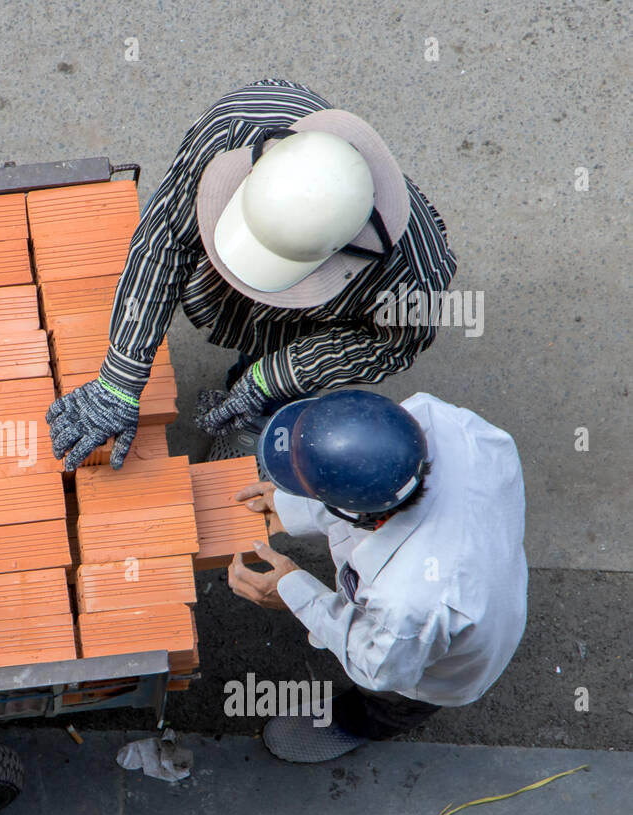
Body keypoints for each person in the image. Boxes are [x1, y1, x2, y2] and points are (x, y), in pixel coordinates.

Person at [46, 79, 457, 470]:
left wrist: (269, 379)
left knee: (273, 384)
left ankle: (261, 420)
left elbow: (384, 345)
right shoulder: (232, 129)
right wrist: (121, 377)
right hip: (240, 259)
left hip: (312, 324)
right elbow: (164, 241)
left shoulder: (414, 280)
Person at [226, 389, 528, 762]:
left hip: (448, 653)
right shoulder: (437, 421)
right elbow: (372, 487)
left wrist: (295, 593)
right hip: (483, 563)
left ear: (361, 513)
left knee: (389, 697)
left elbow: (377, 662)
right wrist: (294, 503)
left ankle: (364, 721)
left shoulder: (411, 604)